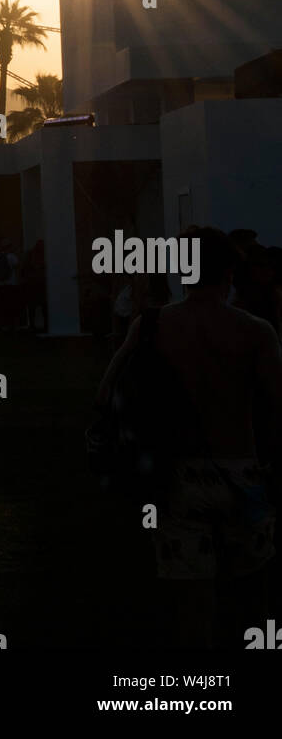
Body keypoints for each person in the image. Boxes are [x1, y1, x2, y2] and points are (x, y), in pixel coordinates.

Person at [95, 226, 282, 648]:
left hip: (173, 476)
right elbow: (277, 405)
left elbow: (104, 394)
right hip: (242, 472)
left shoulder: (151, 325)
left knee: (193, 608)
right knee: (253, 601)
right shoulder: (255, 331)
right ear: (230, 273)